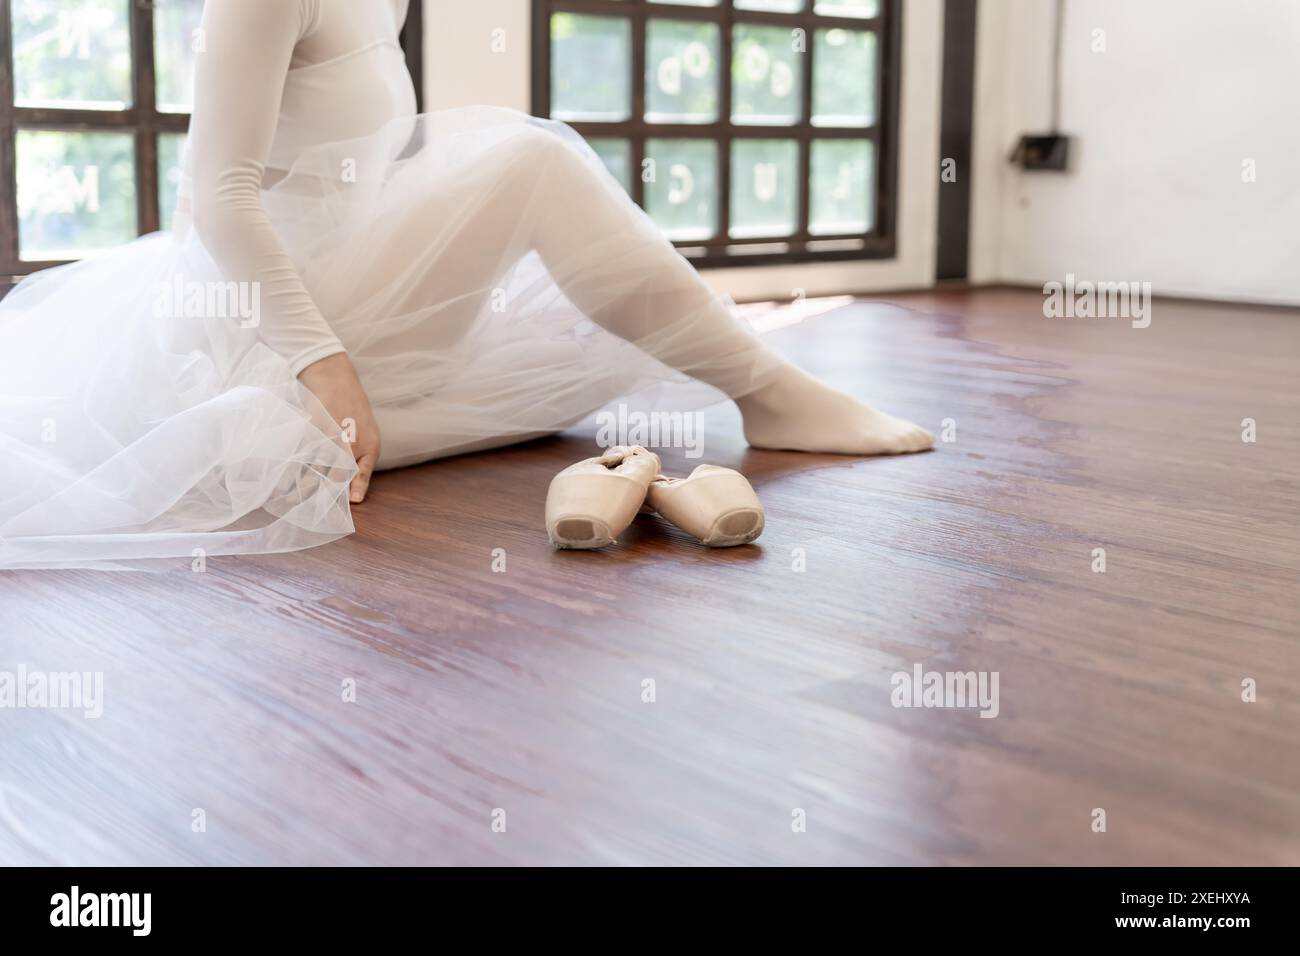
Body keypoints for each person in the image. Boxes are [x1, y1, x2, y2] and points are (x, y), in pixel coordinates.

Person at [0, 0, 930, 570]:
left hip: (344, 280)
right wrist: (325, 365)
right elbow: (220, 195)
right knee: (528, 158)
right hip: (262, 315)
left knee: (550, 318)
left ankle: (768, 391)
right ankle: (770, 392)